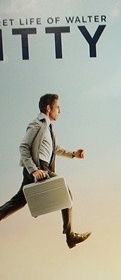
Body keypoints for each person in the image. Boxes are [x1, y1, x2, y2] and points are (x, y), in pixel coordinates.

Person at [0, 93, 91, 248]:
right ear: (49, 108)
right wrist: (34, 170)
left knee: (18, 201)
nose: (59, 111)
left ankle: (70, 236)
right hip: (40, 168)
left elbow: (54, 149)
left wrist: (73, 154)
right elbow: (23, 147)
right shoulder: (37, 124)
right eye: (57, 107)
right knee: (65, 194)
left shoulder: (48, 127)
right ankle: (70, 236)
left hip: (40, 168)